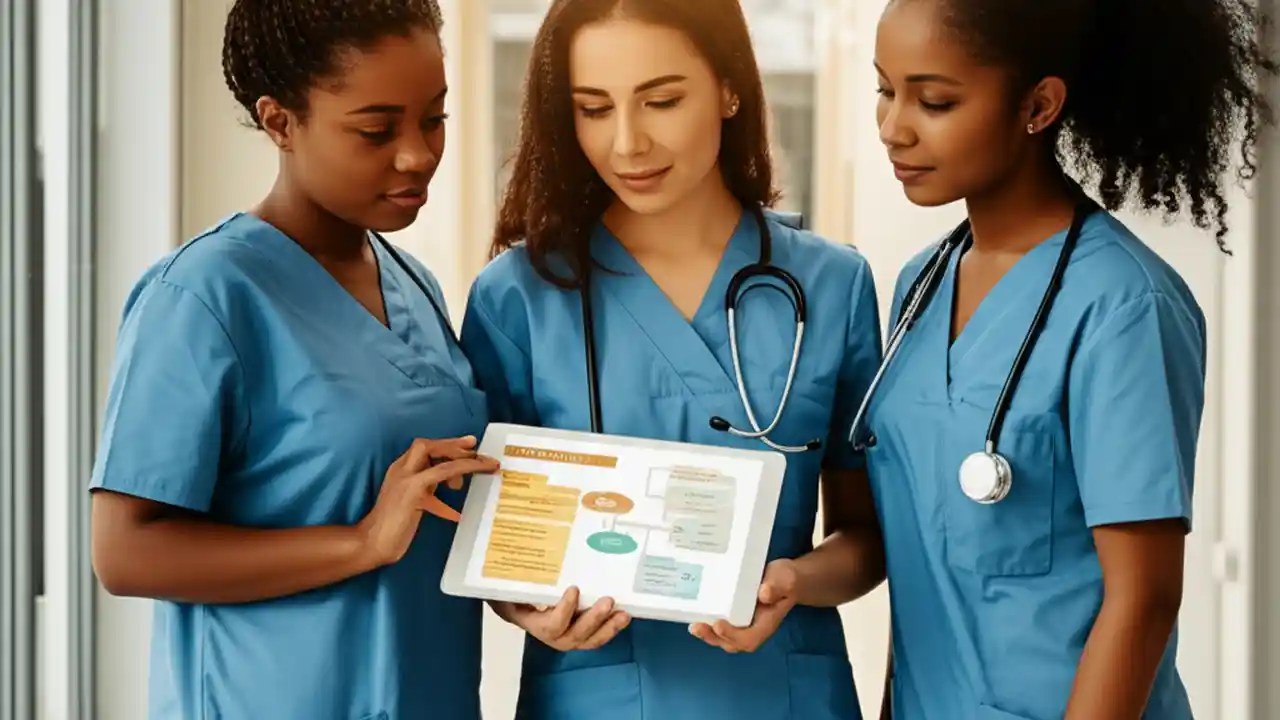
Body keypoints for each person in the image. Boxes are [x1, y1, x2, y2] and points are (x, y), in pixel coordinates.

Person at [460, 1, 886, 718]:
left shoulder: (832, 285)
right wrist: (524, 610)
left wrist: (794, 581)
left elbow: (867, 538)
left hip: (783, 692)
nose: (627, 143)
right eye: (593, 109)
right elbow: (492, 542)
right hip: (595, 692)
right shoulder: (517, 297)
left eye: (661, 100)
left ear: (728, 88)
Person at [87, 2, 499, 718]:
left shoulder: (415, 285)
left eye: (434, 119)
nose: (417, 154)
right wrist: (360, 542)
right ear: (280, 122)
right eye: (376, 130)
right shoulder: (204, 295)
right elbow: (125, 553)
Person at [865, 0, 1276, 718]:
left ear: (1038, 105)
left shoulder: (1124, 305)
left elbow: (1143, 598)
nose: (894, 127)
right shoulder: (920, 287)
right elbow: (924, 569)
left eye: (934, 100)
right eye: (884, 89)